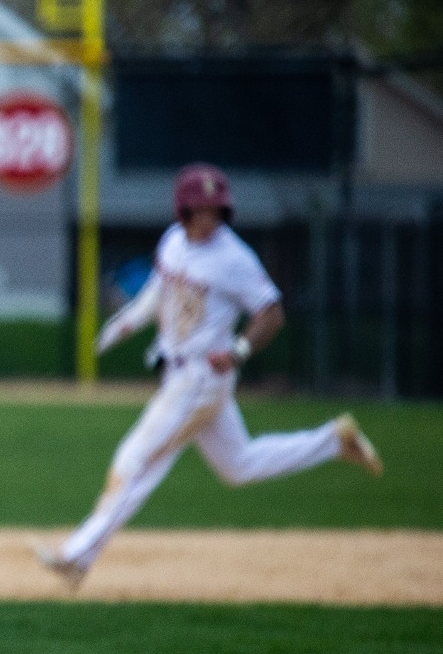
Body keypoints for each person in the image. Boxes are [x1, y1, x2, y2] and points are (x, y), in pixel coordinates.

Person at [37, 163, 383, 588]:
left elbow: (270, 311)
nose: (210, 218)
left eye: (216, 210)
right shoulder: (173, 242)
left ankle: (77, 554)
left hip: (199, 381)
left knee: (136, 460)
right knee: (237, 465)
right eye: (201, 210)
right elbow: (157, 295)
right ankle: (333, 440)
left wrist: (239, 350)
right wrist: (122, 325)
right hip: (178, 374)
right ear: (182, 211)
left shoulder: (233, 258)